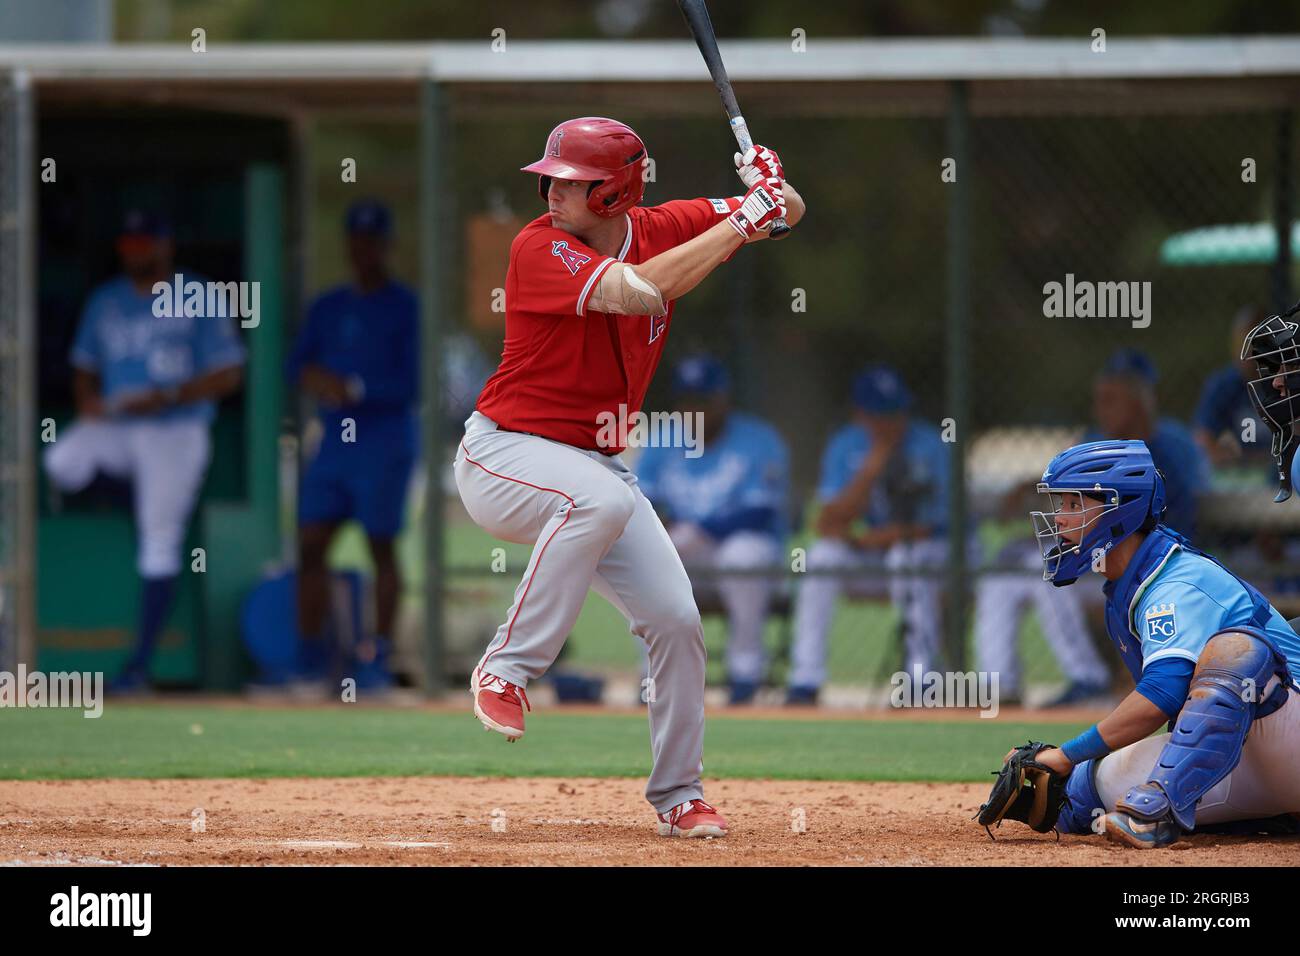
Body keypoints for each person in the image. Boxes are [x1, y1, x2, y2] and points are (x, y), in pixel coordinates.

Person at [452, 116, 804, 838]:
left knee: (676, 622)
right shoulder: (536, 246)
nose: (551, 192)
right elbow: (640, 291)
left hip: (593, 474)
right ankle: (506, 668)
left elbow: (790, 212)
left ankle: (680, 793)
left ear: (615, 193)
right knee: (601, 497)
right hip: (503, 456)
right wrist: (743, 219)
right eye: (550, 179)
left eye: (570, 183)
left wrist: (769, 185)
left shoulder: (663, 224)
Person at [1017, 439, 1300, 849]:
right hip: (1250, 758)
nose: (1060, 519)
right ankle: (1275, 814)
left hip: (1288, 728)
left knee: (1239, 651)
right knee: (1088, 788)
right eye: (1060, 505)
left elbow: (1159, 697)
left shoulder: (1176, 582)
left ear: (1121, 510)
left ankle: (1158, 813)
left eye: (1074, 505)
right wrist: (1058, 772)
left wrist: (1065, 753)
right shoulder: (1130, 583)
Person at [43, 209, 245, 691]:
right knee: (61, 460)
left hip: (175, 428)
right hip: (119, 425)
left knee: (160, 541)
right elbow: (84, 366)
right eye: (130, 243)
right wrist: (87, 400)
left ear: (165, 246)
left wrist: (170, 395)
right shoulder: (106, 300)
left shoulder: (197, 294)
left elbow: (230, 372)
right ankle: (132, 502)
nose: (137, 252)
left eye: (146, 243)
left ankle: (139, 666)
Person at [286, 200, 419, 691]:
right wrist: (317, 378)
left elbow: (413, 381)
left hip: (384, 441)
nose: (363, 249)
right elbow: (294, 364)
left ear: (386, 245)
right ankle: (307, 659)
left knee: (380, 545)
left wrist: (357, 388)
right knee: (311, 540)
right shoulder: (329, 306)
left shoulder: (405, 306)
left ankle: (376, 656)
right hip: (336, 444)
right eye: (355, 239)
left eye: (372, 239)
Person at [787, 365, 950, 705]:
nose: (891, 422)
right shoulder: (845, 445)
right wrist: (874, 463)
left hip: (927, 554)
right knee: (821, 557)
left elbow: (932, 525)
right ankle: (806, 678)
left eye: (896, 412)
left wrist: (867, 539)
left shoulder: (931, 445)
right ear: (860, 414)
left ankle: (920, 680)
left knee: (908, 556)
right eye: (880, 414)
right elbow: (826, 522)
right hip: (871, 554)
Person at [635, 354, 790, 705]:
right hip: (686, 553)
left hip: (745, 548)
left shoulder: (759, 439)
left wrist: (700, 529)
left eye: (702, 401)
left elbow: (761, 513)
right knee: (643, 559)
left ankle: (745, 672)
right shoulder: (664, 436)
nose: (694, 409)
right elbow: (643, 501)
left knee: (743, 555)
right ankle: (653, 676)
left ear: (723, 400)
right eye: (687, 401)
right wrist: (675, 529)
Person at [973, 482, 1111, 708]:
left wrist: (1031, 488)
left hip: (1106, 562)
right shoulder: (1083, 450)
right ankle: (999, 682)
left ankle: (1089, 678)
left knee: (1049, 569)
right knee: (999, 576)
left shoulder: (1140, 457)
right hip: (1075, 554)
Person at [1086, 348, 1209, 537]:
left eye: (1110, 400)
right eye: (1099, 400)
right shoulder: (1096, 444)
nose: (1099, 411)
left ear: (1139, 404)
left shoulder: (1171, 452)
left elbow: (1183, 521)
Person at [1193, 305, 1271, 471]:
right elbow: (1203, 439)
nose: (1248, 352)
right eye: (1242, 343)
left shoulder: (1286, 381)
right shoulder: (1223, 385)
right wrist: (1224, 456)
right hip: (1236, 474)